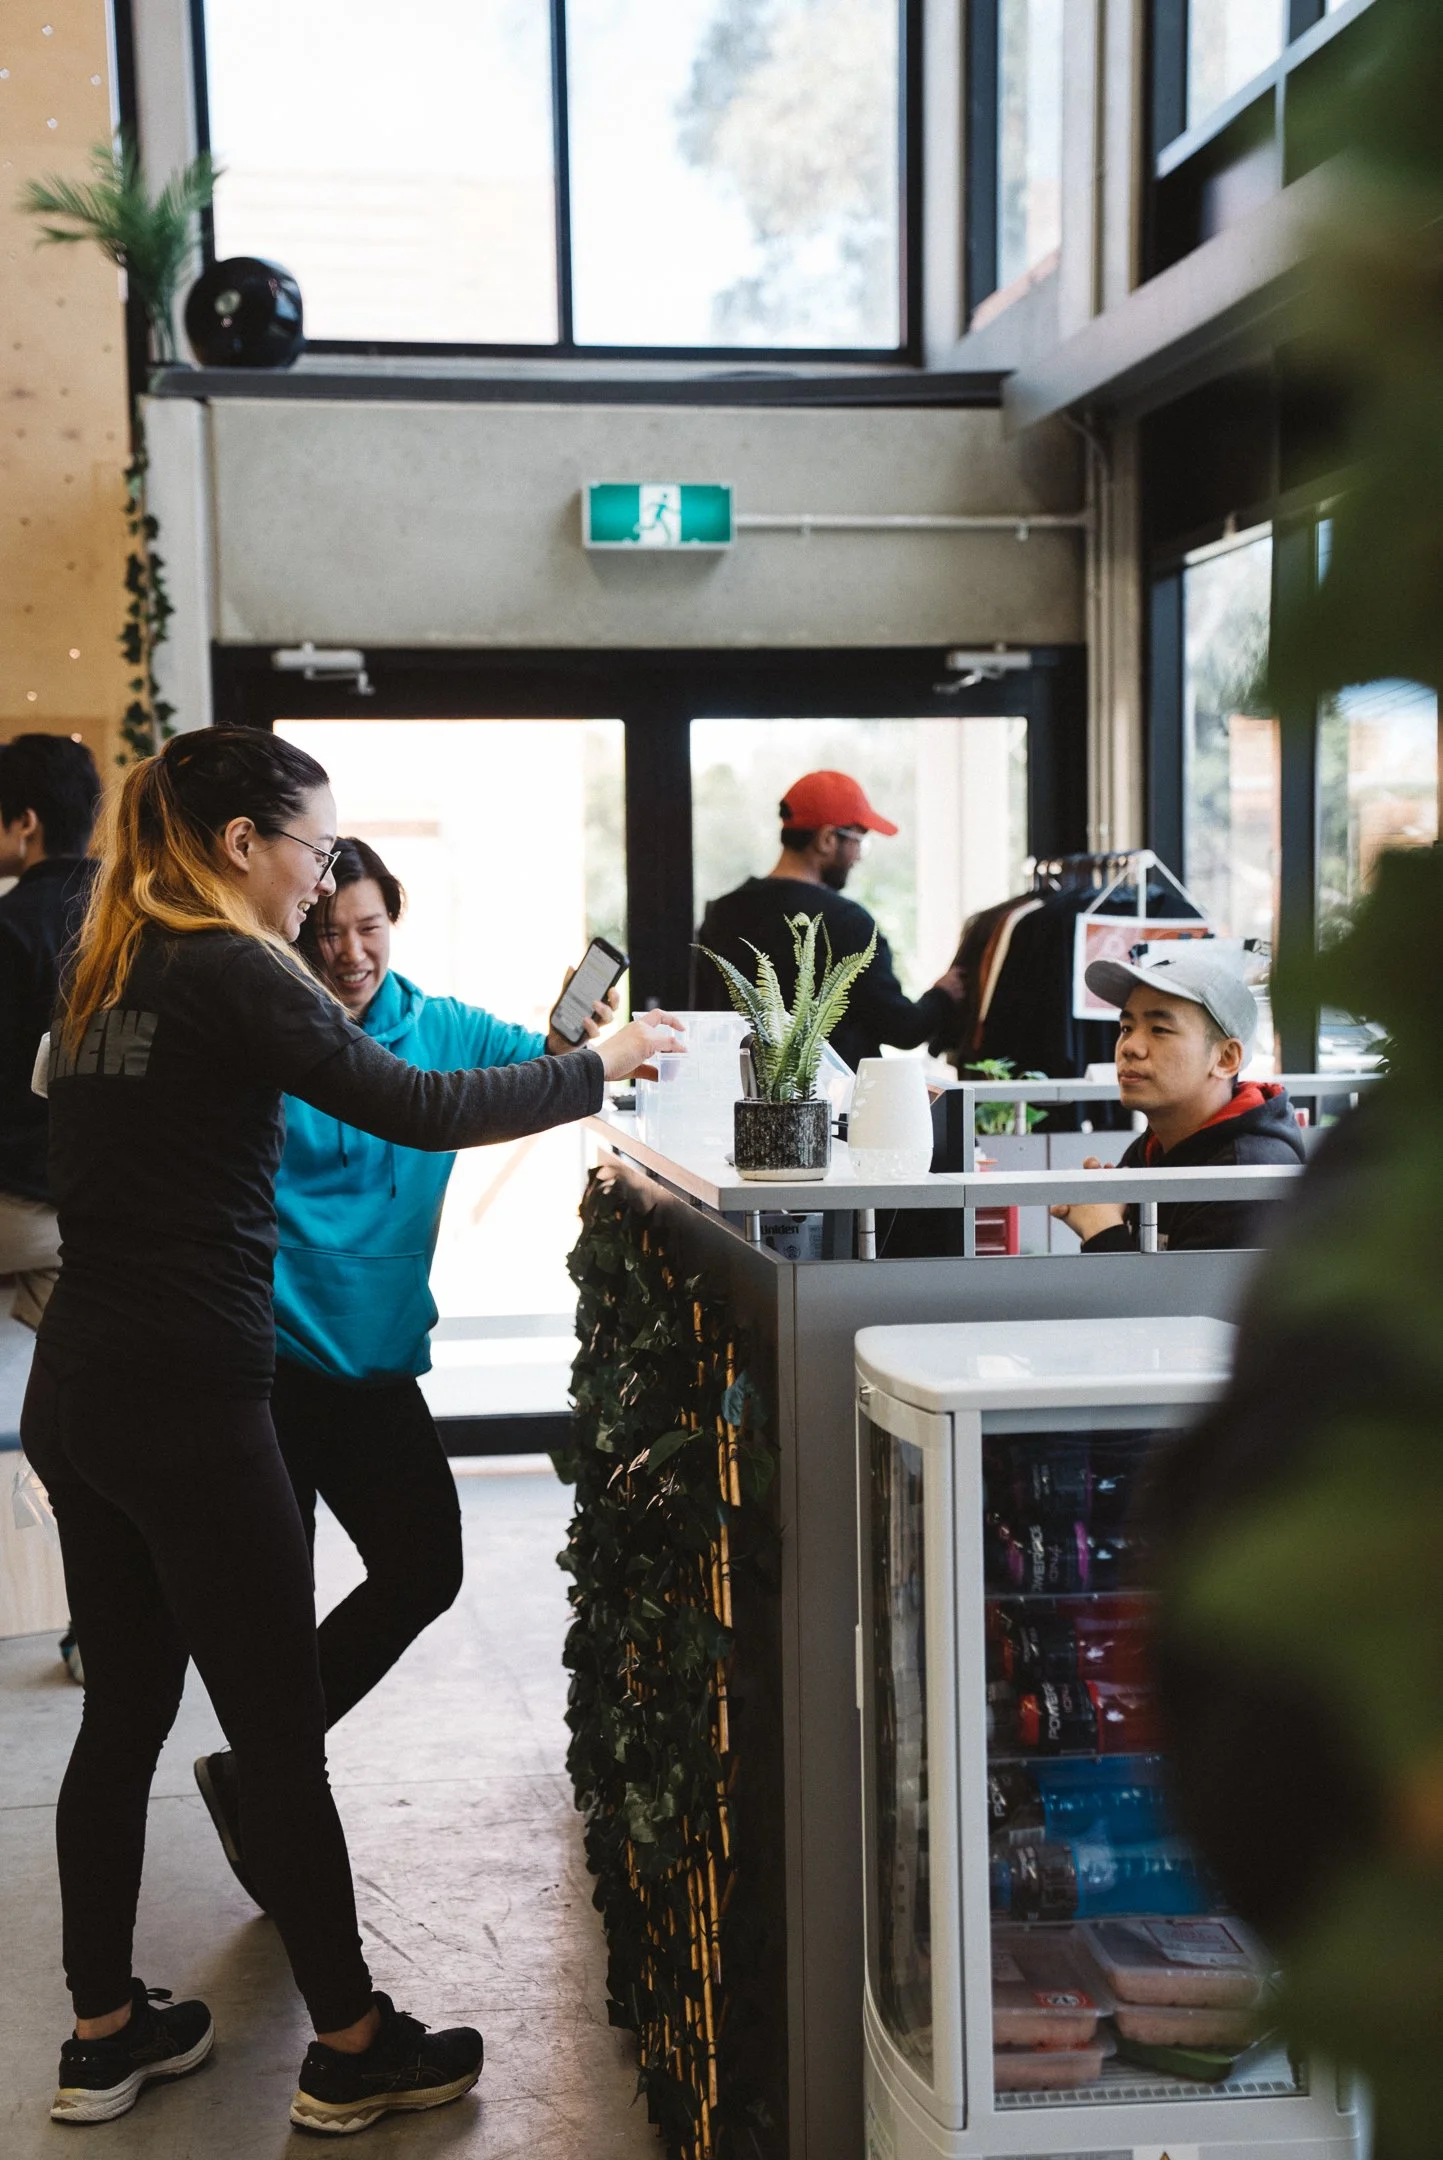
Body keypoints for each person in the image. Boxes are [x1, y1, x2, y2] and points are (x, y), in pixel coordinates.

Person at [19, 729, 675, 2134]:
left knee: (126, 1712)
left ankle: (103, 2028)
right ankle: (355, 2043)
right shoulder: (225, 967)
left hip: (75, 1389)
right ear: (244, 843)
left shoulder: (106, 973)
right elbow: (419, 1105)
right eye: (315, 851)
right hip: (194, 1399)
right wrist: (595, 1063)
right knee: (275, 1734)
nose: (323, 884)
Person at [191, 837, 617, 1900]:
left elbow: (545, 1073)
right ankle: (291, 1836)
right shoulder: (264, 1028)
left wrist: (592, 1045)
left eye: (369, 929)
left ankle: (256, 1772)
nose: (349, 953)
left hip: (376, 1361)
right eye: (327, 931)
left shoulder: (441, 1030)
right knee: (274, 1617)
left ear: (397, 923)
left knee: (425, 1567)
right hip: (273, 1362)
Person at [691, 769, 963, 1069]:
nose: (858, 856)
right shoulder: (847, 922)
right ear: (827, 839)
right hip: (834, 1107)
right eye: (858, 840)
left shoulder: (722, 913)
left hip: (741, 1100)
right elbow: (902, 1028)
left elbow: (703, 1018)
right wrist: (941, 995)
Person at [1049, 947, 1304, 1253]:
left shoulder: (1247, 1177)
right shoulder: (1154, 1147)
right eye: (1126, 1027)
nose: (1130, 1047)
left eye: (1159, 1029)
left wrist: (1102, 1229)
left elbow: (1182, 1302)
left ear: (1225, 1058)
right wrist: (1106, 1204)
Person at [0, 733, 101, 1328]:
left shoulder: (10, 925)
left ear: (25, 822)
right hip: (110, 1192)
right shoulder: (132, 913)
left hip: (22, 1194)